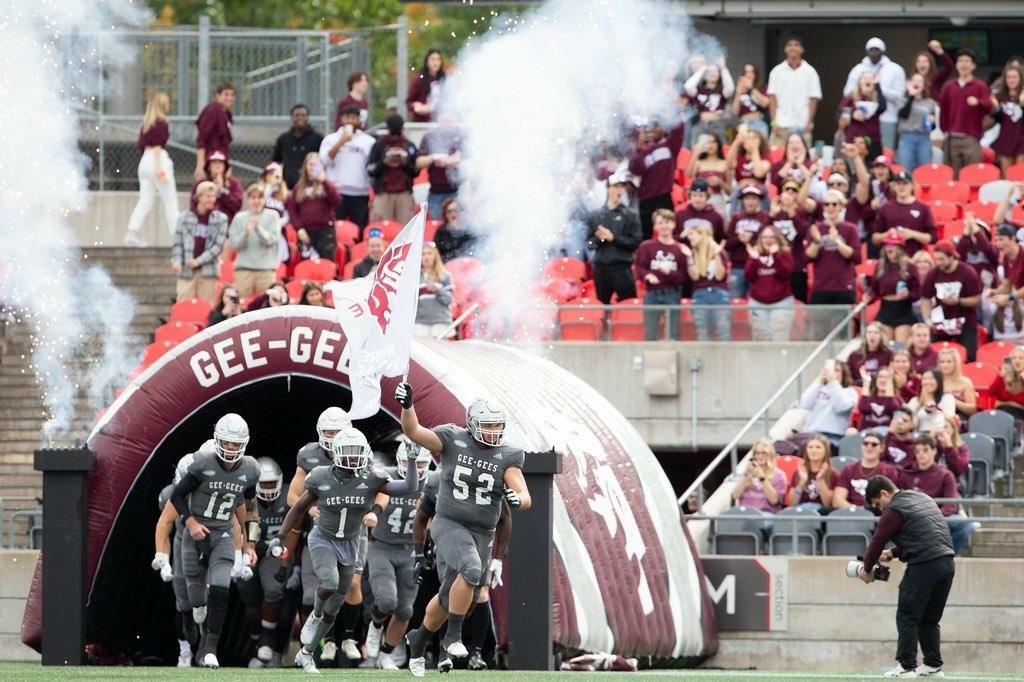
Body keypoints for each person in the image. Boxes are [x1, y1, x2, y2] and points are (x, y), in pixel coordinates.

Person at [393, 382, 531, 676]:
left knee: (447, 596)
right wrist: (408, 406)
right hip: (449, 523)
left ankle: (417, 641)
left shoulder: (508, 455)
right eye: (487, 425)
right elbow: (414, 431)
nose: (493, 431)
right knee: (469, 569)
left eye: (497, 426)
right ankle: (453, 636)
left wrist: (517, 499)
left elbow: (524, 494)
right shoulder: (453, 438)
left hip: (482, 533)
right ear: (471, 424)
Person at [268, 427, 419, 674]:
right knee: (328, 583)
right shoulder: (320, 476)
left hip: (350, 542)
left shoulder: (371, 478)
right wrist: (281, 536)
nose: (352, 458)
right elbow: (298, 508)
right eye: (347, 452)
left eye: (356, 452)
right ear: (336, 453)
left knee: (336, 606)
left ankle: (306, 654)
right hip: (323, 539)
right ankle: (314, 616)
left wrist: (412, 460)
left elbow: (410, 486)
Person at [167, 414, 260, 668]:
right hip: (194, 535)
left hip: (223, 535)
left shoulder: (250, 469)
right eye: (226, 443)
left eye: (235, 443)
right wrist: (191, 522)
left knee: (221, 587)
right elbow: (176, 496)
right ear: (217, 440)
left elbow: (248, 509)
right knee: (196, 600)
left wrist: (249, 544)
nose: (230, 448)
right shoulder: (201, 464)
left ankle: (210, 649)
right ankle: (195, 624)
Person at [410, 464, 513, 672]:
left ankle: (420, 638)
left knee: (470, 599)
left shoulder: (487, 479)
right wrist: (419, 553)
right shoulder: (437, 480)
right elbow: (421, 517)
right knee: (451, 591)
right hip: (451, 541)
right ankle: (446, 646)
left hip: (481, 543)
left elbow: (505, 518)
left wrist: (498, 559)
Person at [860, 475, 955, 679]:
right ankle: (932, 665)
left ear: (884, 493)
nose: (879, 510)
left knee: (907, 615)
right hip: (946, 563)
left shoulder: (894, 509)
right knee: (929, 618)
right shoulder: (922, 498)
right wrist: (893, 553)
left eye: (878, 504)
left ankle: (906, 665)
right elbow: (924, 535)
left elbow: (877, 542)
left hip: (924, 565)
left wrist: (866, 569)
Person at [363, 441, 432, 668]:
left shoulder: (432, 482)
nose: (418, 469)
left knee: (405, 610)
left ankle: (386, 652)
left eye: (422, 464)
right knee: (386, 599)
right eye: (412, 463)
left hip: (411, 551)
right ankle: (375, 626)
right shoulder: (387, 476)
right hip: (382, 546)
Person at [151, 441, 214, 668]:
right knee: (183, 600)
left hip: (211, 542)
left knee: (210, 595)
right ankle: (185, 650)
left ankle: (208, 649)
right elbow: (165, 525)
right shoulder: (171, 495)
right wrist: (163, 557)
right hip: (182, 542)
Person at [234, 457, 290, 667]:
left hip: (275, 553)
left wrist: (288, 565)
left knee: (274, 590)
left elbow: (297, 531)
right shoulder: (247, 498)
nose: (267, 489)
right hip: (250, 549)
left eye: (270, 483)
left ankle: (267, 640)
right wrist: (245, 551)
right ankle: (258, 645)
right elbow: (246, 526)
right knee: (250, 603)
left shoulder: (289, 496)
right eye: (263, 484)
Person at [125, 90, 179, 246]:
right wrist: (159, 168)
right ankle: (177, 236)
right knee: (170, 200)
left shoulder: (145, 124)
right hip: (157, 160)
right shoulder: (162, 123)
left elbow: (144, 146)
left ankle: (131, 233)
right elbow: (157, 146)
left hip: (144, 162)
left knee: (145, 200)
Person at [903, 435, 973, 554]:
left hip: (937, 519)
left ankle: (947, 555)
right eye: (917, 451)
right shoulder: (906, 474)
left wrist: (931, 518)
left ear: (934, 451)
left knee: (965, 525)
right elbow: (900, 501)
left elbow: (950, 505)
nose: (921, 454)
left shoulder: (946, 475)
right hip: (912, 520)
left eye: (925, 450)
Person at [921, 241, 983, 361]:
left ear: (952, 257)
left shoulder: (967, 272)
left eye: (942, 259)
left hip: (965, 321)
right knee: (936, 357)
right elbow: (926, 300)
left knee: (969, 357)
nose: (938, 263)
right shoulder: (933, 274)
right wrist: (928, 321)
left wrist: (958, 301)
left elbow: (977, 300)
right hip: (941, 321)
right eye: (936, 259)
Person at [806, 188, 861, 322]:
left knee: (844, 331)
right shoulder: (816, 228)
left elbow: (855, 257)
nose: (830, 207)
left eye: (834, 204)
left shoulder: (850, 229)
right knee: (820, 331)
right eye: (827, 204)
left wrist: (837, 241)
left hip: (843, 286)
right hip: (821, 286)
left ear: (842, 206)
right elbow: (808, 257)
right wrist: (818, 242)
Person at [842, 37, 907, 152]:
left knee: (884, 154)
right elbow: (847, 93)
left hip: (887, 118)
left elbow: (899, 96)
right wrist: (861, 89)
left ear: (882, 51)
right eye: (871, 50)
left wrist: (878, 87)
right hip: (862, 121)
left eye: (877, 50)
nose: (874, 53)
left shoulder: (895, 69)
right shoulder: (858, 69)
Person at [586, 174, 641, 304]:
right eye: (615, 187)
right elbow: (589, 243)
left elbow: (636, 242)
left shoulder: (630, 215)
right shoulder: (595, 215)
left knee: (628, 307)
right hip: (602, 268)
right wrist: (601, 239)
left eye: (621, 187)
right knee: (602, 307)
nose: (619, 190)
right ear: (608, 189)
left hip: (622, 267)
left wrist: (613, 238)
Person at [628, 117, 686, 240]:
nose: (652, 130)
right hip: (646, 200)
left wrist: (672, 111)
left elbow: (678, 127)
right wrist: (638, 146)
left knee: (669, 233)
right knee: (646, 236)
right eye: (649, 127)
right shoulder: (642, 151)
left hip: (664, 197)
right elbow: (634, 169)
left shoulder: (670, 145)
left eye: (656, 125)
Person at [938, 50, 994, 176]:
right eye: (961, 61)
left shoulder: (980, 86)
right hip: (952, 137)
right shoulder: (949, 86)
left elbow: (989, 107)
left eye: (967, 61)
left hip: (971, 137)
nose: (964, 64)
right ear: (956, 64)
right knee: (953, 175)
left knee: (973, 173)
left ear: (973, 65)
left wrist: (978, 102)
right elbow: (943, 110)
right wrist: (944, 130)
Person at [320, 106, 376, 231]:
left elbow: (372, 165)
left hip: (360, 193)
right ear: (342, 119)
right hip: (336, 192)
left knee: (359, 229)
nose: (351, 121)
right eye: (348, 118)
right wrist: (342, 142)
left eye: (354, 118)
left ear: (359, 120)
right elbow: (324, 160)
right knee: (334, 228)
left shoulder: (368, 141)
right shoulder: (330, 139)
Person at [172, 182, 229, 305]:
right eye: (207, 196)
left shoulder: (221, 219)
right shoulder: (184, 217)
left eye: (213, 196)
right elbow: (177, 243)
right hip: (186, 271)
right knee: (183, 304)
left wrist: (198, 261)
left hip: (208, 272)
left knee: (208, 306)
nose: (211, 199)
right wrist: (176, 261)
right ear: (199, 197)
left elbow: (218, 247)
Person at [634, 209, 686, 340]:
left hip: (673, 293)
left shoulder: (680, 249)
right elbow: (639, 268)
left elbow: (684, 277)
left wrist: (669, 273)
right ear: (655, 226)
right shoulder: (646, 246)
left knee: (674, 334)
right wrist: (647, 276)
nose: (664, 226)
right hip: (652, 293)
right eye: (660, 223)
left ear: (673, 224)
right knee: (650, 334)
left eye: (667, 222)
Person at [286, 152, 341, 264]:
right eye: (310, 164)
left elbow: (336, 201)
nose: (312, 167)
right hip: (306, 233)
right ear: (305, 166)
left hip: (325, 232)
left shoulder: (326, 185)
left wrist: (325, 182)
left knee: (326, 265)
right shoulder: (298, 188)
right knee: (307, 265)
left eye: (316, 164)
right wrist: (299, 229)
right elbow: (292, 211)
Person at [766, 35, 822, 146]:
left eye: (796, 45)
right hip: (781, 124)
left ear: (802, 49)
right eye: (789, 45)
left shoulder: (810, 72)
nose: (793, 48)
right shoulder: (776, 72)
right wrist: (774, 123)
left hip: (802, 125)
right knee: (775, 159)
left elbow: (814, 99)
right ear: (785, 49)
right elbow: (772, 99)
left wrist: (809, 123)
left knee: (802, 159)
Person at [229, 184, 279, 298]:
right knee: (241, 306)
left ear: (264, 199)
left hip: (266, 271)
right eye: (253, 197)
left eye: (260, 198)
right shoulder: (239, 218)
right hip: (244, 271)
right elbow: (235, 245)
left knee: (268, 307)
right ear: (248, 200)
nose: (256, 201)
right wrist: (246, 233)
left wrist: (258, 229)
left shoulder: (273, 216)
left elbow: (271, 240)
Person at [745, 224, 794, 341]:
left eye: (772, 237)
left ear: (777, 239)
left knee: (779, 338)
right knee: (759, 338)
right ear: (760, 239)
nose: (768, 240)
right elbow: (749, 277)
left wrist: (776, 257)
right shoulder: (755, 255)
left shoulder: (784, 254)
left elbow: (785, 274)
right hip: (758, 303)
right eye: (765, 237)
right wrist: (754, 260)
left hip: (781, 303)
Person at [871, 171, 935, 258]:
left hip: (914, 258)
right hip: (891, 259)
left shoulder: (923, 208)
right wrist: (888, 234)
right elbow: (875, 238)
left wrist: (912, 234)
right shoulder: (886, 208)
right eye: (898, 184)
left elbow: (932, 238)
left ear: (912, 186)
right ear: (893, 186)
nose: (902, 187)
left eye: (905, 183)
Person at [869, 233, 920, 344]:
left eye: (893, 245)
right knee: (886, 347)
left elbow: (918, 292)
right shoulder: (880, 266)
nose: (889, 247)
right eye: (887, 245)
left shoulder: (910, 267)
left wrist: (908, 295)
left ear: (900, 248)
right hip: (886, 309)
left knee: (899, 347)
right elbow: (875, 291)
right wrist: (868, 298)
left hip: (903, 310)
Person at [772, 177, 817, 303]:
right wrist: (771, 214)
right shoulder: (775, 213)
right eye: (787, 190)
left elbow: (805, 233)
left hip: (797, 266)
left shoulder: (802, 212)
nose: (789, 193)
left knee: (799, 303)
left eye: (794, 190)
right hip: (776, 266)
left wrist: (793, 214)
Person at [367, 115, 418, 224]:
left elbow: (416, 172)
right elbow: (370, 169)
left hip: (404, 193)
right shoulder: (379, 145)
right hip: (383, 193)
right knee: (382, 227)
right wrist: (384, 162)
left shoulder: (408, 145)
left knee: (405, 229)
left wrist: (405, 163)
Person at [685, 224, 731, 341]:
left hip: (719, 295)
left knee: (724, 331)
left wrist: (716, 255)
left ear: (702, 234)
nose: (689, 237)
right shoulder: (692, 254)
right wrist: (690, 258)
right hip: (700, 295)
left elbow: (720, 276)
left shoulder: (720, 252)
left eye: (692, 234)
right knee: (702, 332)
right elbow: (695, 277)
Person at [725, 184, 772, 298]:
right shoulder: (736, 218)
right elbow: (728, 244)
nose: (750, 201)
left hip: (758, 267)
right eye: (747, 198)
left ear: (759, 201)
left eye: (754, 198)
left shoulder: (766, 219)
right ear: (743, 201)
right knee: (735, 303)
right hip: (738, 267)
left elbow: (770, 243)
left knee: (756, 302)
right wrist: (739, 239)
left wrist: (751, 241)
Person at [832, 433, 903, 508]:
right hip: (852, 513)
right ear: (861, 446)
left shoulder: (889, 471)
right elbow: (837, 500)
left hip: (878, 512)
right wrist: (857, 510)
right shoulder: (849, 469)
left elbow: (892, 499)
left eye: (874, 444)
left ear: (882, 448)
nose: (869, 447)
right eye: (865, 443)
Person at [799, 360, 858, 445]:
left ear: (843, 373)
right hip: (809, 435)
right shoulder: (819, 389)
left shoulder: (849, 392)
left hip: (833, 437)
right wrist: (819, 383)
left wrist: (833, 383)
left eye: (836, 370)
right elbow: (805, 404)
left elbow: (841, 407)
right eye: (829, 370)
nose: (832, 373)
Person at [272, 104, 324, 189]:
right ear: (291, 118)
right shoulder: (283, 139)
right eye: (297, 115)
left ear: (308, 117)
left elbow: (322, 162)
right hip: (287, 187)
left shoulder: (318, 138)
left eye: (303, 115)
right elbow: (276, 162)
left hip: (311, 187)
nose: (300, 118)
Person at [417, 119, 461, 220]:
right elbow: (418, 162)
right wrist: (434, 157)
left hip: (456, 192)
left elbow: (470, 162)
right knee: (435, 227)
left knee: (456, 229)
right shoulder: (430, 137)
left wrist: (453, 161)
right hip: (436, 193)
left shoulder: (460, 138)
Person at [837, 72, 887, 159]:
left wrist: (877, 85)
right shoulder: (851, 97)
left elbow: (882, 108)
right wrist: (852, 115)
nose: (868, 80)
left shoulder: (877, 98)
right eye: (864, 78)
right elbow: (838, 115)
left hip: (872, 142)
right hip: (853, 140)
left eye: (871, 78)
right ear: (859, 82)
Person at [683, 58, 735, 141]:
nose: (712, 73)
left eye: (716, 71)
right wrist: (702, 69)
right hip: (700, 125)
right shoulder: (698, 90)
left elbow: (730, 88)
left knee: (722, 152)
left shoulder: (722, 91)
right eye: (709, 71)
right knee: (697, 151)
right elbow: (688, 87)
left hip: (717, 126)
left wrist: (723, 68)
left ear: (719, 74)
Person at [731, 439, 788, 513]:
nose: (760, 456)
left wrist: (761, 476)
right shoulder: (747, 472)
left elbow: (774, 500)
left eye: (763, 453)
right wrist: (747, 479)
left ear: (770, 454)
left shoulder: (779, 475)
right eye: (757, 453)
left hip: (765, 513)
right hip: (745, 512)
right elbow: (735, 496)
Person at [897, 73, 940, 173]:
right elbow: (903, 115)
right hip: (907, 137)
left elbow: (932, 127)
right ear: (909, 83)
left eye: (919, 81)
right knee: (906, 169)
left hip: (924, 138)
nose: (916, 83)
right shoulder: (903, 100)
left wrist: (932, 122)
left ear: (924, 85)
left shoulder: (930, 103)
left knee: (924, 170)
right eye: (914, 80)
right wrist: (911, 96)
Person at [195, 82, 235, 181]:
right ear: (218, 96)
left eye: (232, 95)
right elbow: (202, 139)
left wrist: (227, 164)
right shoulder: (212, 111)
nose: (229, 98)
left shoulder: (226, 113)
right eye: (226, 94)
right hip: (211, 161)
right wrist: (201, 165)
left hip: (222, 160)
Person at [189, 151, 244, 223]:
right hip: (203, 224)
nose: (218, 165)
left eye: (221, 162)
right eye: (214, 162)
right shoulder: (200, 184)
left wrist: (222, 191)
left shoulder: (233, 184)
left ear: (225, 166)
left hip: (227, 224)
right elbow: (193, 205)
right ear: (208, 166)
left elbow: (237, 205)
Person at [415, 242, 455, 338]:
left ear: (435, 256)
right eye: (423, 254)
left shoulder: (445, 275)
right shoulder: (415, 277)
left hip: (440, 323)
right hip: (420, 324)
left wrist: (438, 290)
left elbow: (449, 300)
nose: (426, 257)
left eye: (429, 253)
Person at [685, 137, 731, 218]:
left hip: (718, 200)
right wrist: (695, 154)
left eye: (713, 142)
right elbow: (688, 175)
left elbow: (730, 191)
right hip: (699, 199)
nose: (710, 145)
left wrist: (720, 182)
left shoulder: (725, 163)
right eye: (707, 142)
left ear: (718, 144)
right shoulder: (698, 163)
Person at [786, 435, 836, 509]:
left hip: (821, 513)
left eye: (818, 447)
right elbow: (792, 504)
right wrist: (801, 483)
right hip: (801, 511)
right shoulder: (799, 473)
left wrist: (821, 479)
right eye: (810, 447)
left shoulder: (833, 474)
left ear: (826, 451)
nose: (813, 450)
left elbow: (828, 504)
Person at [991, 66, 1024, 173]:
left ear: (1020, 79)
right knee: (1007, 176)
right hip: (1006, 140)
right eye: (1009, 77)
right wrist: (995, 108)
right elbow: (997, 120)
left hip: (1022, 140)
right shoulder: (1000, 97)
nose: (1011, 80)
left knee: (1020, 176)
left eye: (1014, 77)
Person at [674, 178, 726, 245]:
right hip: (686, 252)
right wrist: (681, 236)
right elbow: (672, 239)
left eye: (701, 196)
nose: (697, 199)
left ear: (707, 196)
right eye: (694, 195)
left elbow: (721, 239)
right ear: (690, 196)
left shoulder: (716, 217)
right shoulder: (680, 215)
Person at [907, 368, 956, 435]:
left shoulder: (947, 398)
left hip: (939, 436)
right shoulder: (914, 400)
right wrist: (919, 405)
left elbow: (947, 420)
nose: (927, 382)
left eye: (931, 378)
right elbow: (908, 421)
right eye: (924, 379)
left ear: (939, 381)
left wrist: (928, 403)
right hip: (917, 437)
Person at [956, 214, 997, 289]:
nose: (975, 234)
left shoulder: (993, 248)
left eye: (980, 232)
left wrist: (977, 233)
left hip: (988, 288)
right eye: (972, 232)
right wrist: (966, 234)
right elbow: (958, 257)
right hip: (968, 288)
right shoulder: (964, 247)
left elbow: (990, 252)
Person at [731, 62, 771, 139]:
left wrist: (751, 88)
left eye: (751, 72)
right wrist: (738, 93)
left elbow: (765, 103)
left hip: (758, 123)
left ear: (756, 74)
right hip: (743, 124)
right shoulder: (739, 90)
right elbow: (734, 113)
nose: (748, 74)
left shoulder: (762, 87)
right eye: (746, 72)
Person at [936, 348, 977, 422]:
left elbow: (972, 409)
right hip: (938, 417)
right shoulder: (934, 381)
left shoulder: (965, 382)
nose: (945, 365)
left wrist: (953, 401)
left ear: (955, 363)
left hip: (959, 417)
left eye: (949, 362)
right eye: (942, 362)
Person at [407, 49, 445, 123]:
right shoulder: (419, 79)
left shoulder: (445, 79)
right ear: (427, 62)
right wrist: (416, 106)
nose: (436, 62)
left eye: (438, 59)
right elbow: (409, 102)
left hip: (441, 123)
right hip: (422, 123)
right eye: (432, 59)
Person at [990, 346, 1024, 419]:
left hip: (1020, 416)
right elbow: (991, 392)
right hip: (1001, 413)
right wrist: (1000, 376)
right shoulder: (1005, 377)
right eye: (1014, 358)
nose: (1017, 361)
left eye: (1021, 358)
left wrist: (1008, 403)